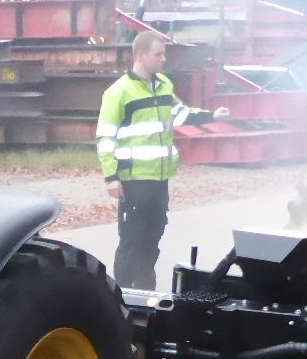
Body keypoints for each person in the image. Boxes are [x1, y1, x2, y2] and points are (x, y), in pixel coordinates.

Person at [95, 31, 228, 289]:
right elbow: (105, 137)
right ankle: (123, 294)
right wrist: (111, 177)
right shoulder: (118, 92)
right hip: (134, 180)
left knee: (153, 237)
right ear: (141, 55)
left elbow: (180, 114)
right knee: (132, 241)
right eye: (158, 54)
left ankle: (146, 288)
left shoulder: (164, 84)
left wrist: (212, 116)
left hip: (159, 179)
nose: (164, 59)